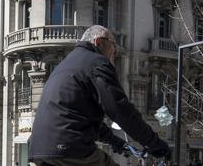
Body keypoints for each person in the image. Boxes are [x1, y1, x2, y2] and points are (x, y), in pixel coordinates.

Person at [30, 25, 172, 166]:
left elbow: (77, 117)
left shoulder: (66, 64)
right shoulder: (96, 62)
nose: (114, 53)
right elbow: (120, 110)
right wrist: (154, 144)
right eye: (113, 46)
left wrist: (116, 142)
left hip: (38, 151)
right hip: (69, 147)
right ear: (99, 42)